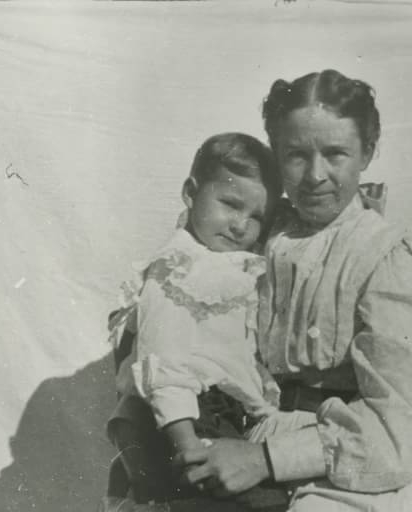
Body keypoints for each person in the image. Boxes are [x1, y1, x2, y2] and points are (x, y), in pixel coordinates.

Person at [173, 69, 412, 511]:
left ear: (368, 151)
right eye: (295, 155)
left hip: (344, 463)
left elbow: (404, 421)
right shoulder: (255, 230)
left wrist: (268, 459)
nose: (315, 175)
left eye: (335, 154)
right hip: (243, 435)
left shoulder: (385, 256)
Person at [104, 132, 297, 510]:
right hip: (186, 417)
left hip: (220, 414)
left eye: (256, 216)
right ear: (191, 194)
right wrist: (186, 442)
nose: (241, 225)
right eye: (230, 204)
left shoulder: (223, 258)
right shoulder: (178, 271)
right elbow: (164, 363)